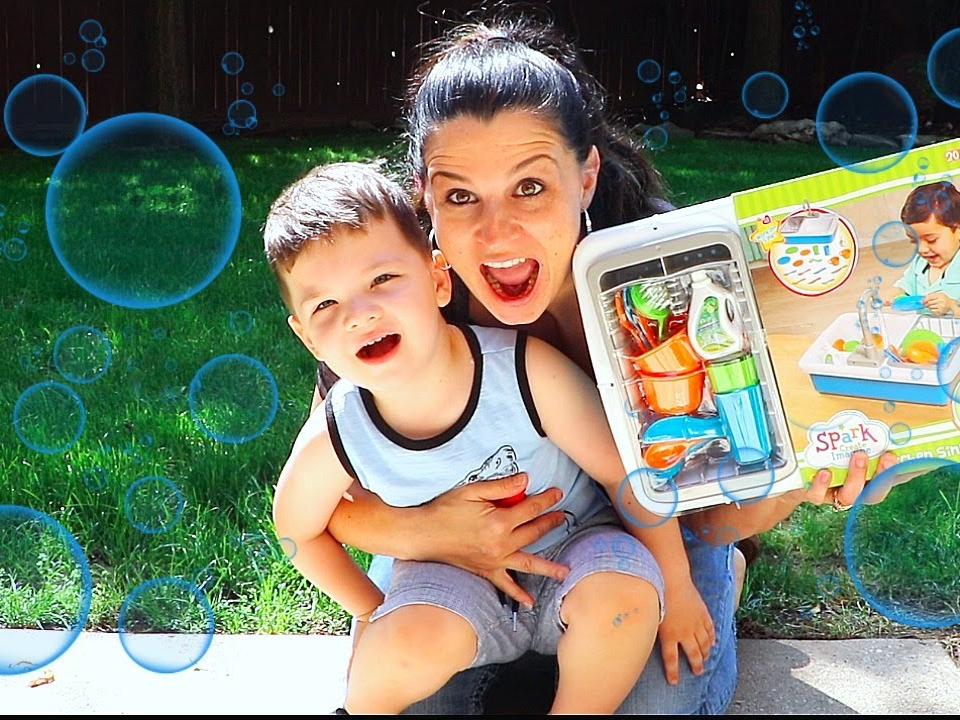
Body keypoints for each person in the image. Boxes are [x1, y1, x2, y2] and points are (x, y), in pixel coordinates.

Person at [317, 16, 901, 714]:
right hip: (456, 554)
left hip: (641, 544)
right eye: (461, 196)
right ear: (425, 194)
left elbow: (709, 509)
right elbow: (332, 503)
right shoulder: (395, 291)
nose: (495, 233)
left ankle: (726, 580)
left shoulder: (673, 282)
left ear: (586, 174)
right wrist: (437, 534)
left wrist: (801, 485)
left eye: (530, 187)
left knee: (652, 705)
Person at [267, 162, 720, 713]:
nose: (360, 315)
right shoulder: (340, 429)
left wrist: (674, 586)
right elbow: (295, 531)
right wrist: (372, 608)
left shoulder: (521, 370)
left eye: (382, 280)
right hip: (453, 578)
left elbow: (625, 470)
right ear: (307, 338)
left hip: (575, 552)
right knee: (393, 656)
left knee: (626, 599)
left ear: (437, 280)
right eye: (325, 305)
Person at [889, 181, 960, 327]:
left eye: (931, 240)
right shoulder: (920, 263)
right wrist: (897, 292)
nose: (921, 249)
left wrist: (953, 307)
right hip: (932, 340)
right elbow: (907, 283)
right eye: (913, 241)